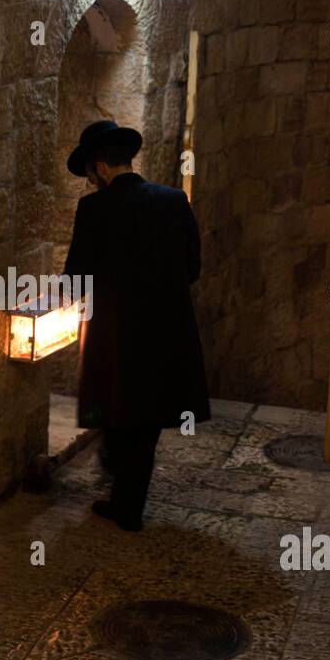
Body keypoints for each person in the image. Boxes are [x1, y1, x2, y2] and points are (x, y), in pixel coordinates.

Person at [62, 120, 211, 531]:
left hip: (114, 335)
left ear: (100, 168)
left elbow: (76, 278)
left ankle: (124, 500)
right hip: (166, 332)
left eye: (90, 176)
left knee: (116, 409)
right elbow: (192, 267)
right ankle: (128, 501)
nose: (90, 184)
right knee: (146, 421)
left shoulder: (93, 211)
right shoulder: (173, 201)